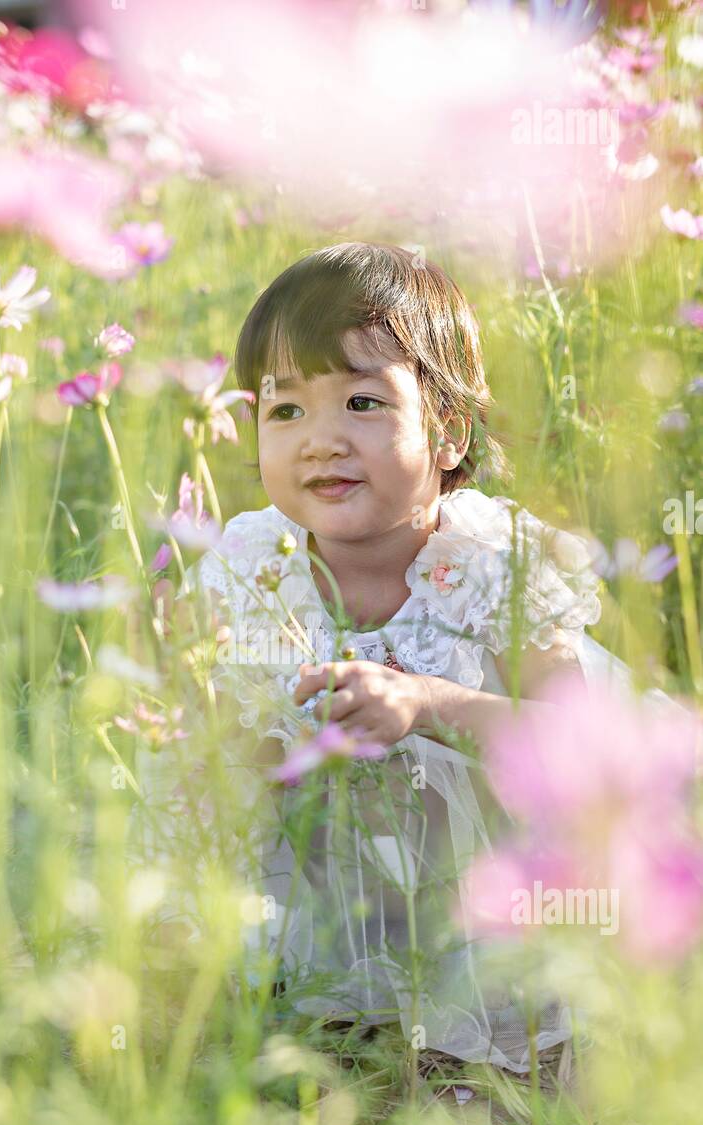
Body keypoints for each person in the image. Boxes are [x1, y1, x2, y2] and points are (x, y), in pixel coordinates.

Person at [142, 241, 671, 1074]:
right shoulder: (252, 564)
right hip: (334, 898)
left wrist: (427, 704)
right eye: (284, 411)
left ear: (449, 432)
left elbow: (573, 751)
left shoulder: (499, 565)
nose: (319, 441)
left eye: (359, 401)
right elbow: (222, 758)